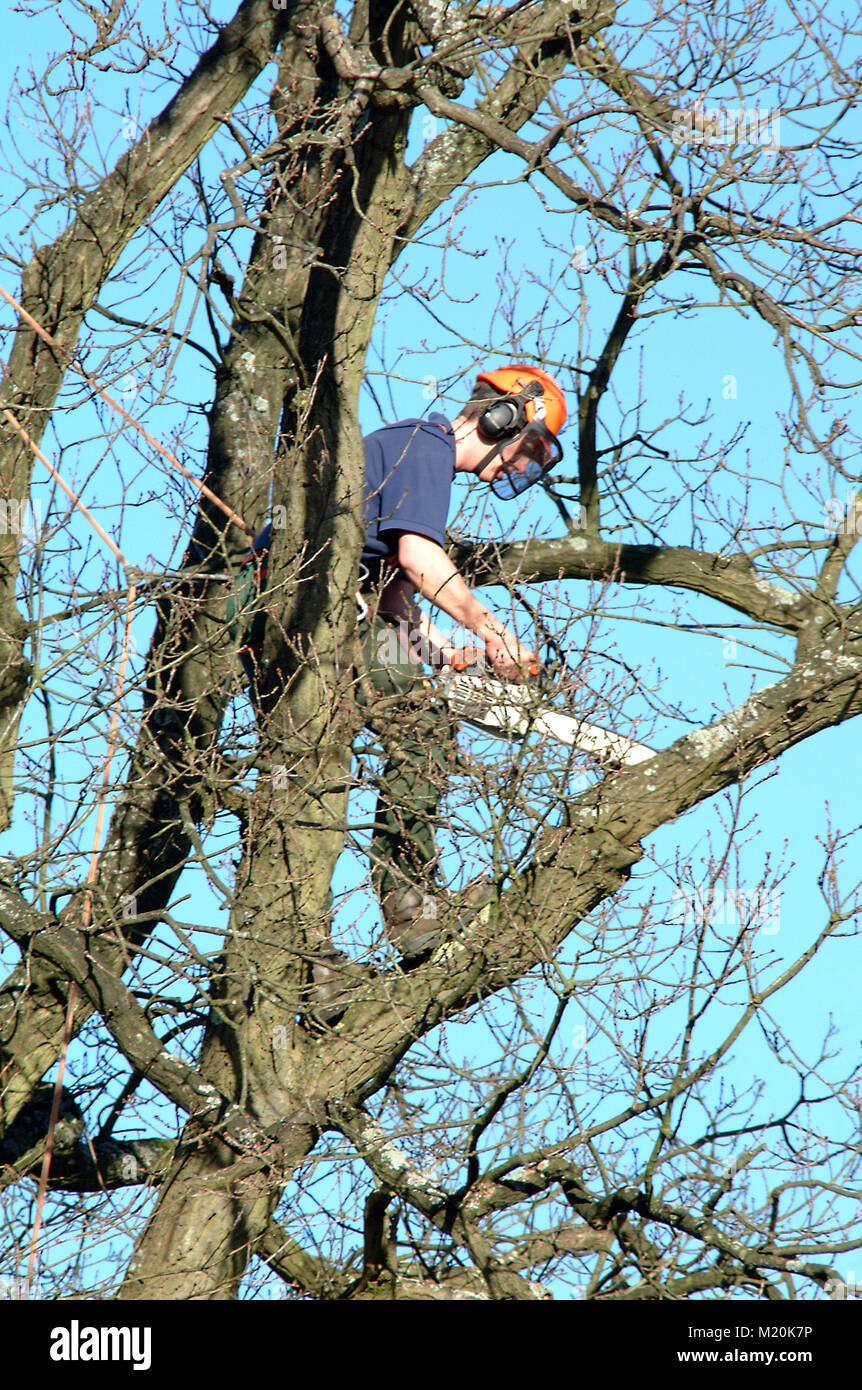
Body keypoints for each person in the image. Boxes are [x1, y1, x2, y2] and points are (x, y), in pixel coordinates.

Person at [236, 363, 568, 1020]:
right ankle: (411, 904)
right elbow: (418, 558)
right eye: (526, 450)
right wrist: (493, 629)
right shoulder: (427, 445)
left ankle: (310, 965)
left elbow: (393, 598)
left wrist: (452, 653)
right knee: (418, 720)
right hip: (295, 609)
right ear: (503, 418)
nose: (520, 469)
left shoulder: (408, 455)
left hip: (297, 615)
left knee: (313, 782)